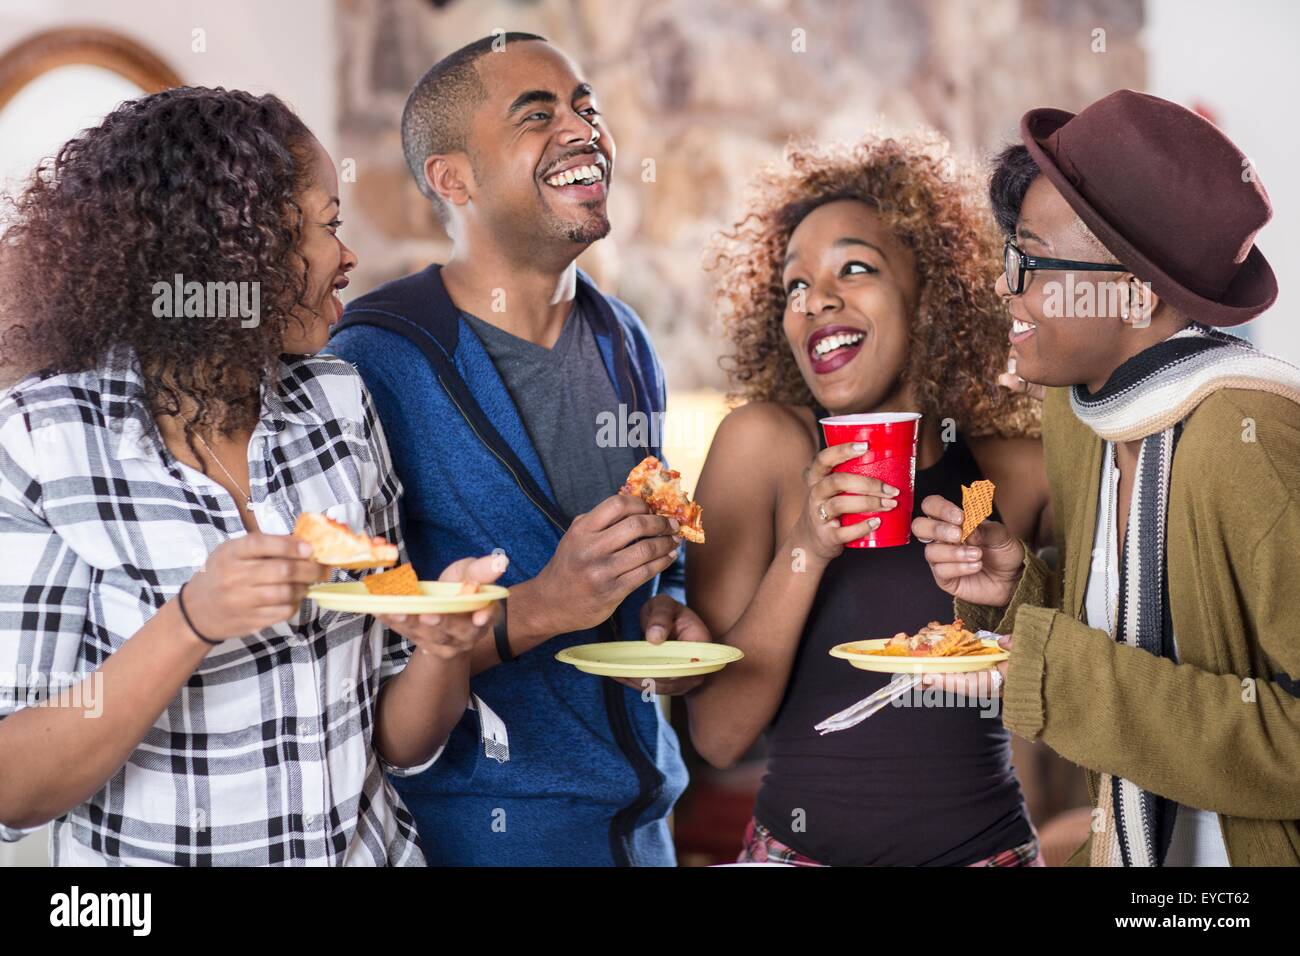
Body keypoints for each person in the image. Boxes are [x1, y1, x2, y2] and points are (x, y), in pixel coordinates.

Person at [0, 87, 502, 865]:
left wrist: (442, 647)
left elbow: (396, 742)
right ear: (232, 249)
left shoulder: (338, 401)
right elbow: (12, 787)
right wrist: (192, 620)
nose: (349, 256)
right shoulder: (43, 438)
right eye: (328, 226)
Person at [329, 33, 708, 866]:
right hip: (480, 840)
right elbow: (356, 662)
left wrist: (664, 612)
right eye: (537, 116)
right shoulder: (371, 364)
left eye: (587, 109)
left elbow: (659, 555)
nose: (583, 131)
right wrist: (543, 605)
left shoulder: (625, 339)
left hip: (646, 834)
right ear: (451, 178)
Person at [914, 90, 1300, 866]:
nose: (1004, 286)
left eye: (1029, 259)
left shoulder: (1248, 442)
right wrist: (1025, 594)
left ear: (1134, 290)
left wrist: (1046, 670)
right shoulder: (1083, 416)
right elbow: (1140, 631)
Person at [683, 132, 1050, 865]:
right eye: (794, 285)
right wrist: (808, 547)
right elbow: (718, 737)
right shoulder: (761, 448)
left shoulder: (1019, 476)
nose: (815, 299)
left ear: (930, 298)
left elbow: (1094, 692)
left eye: (855, 268)